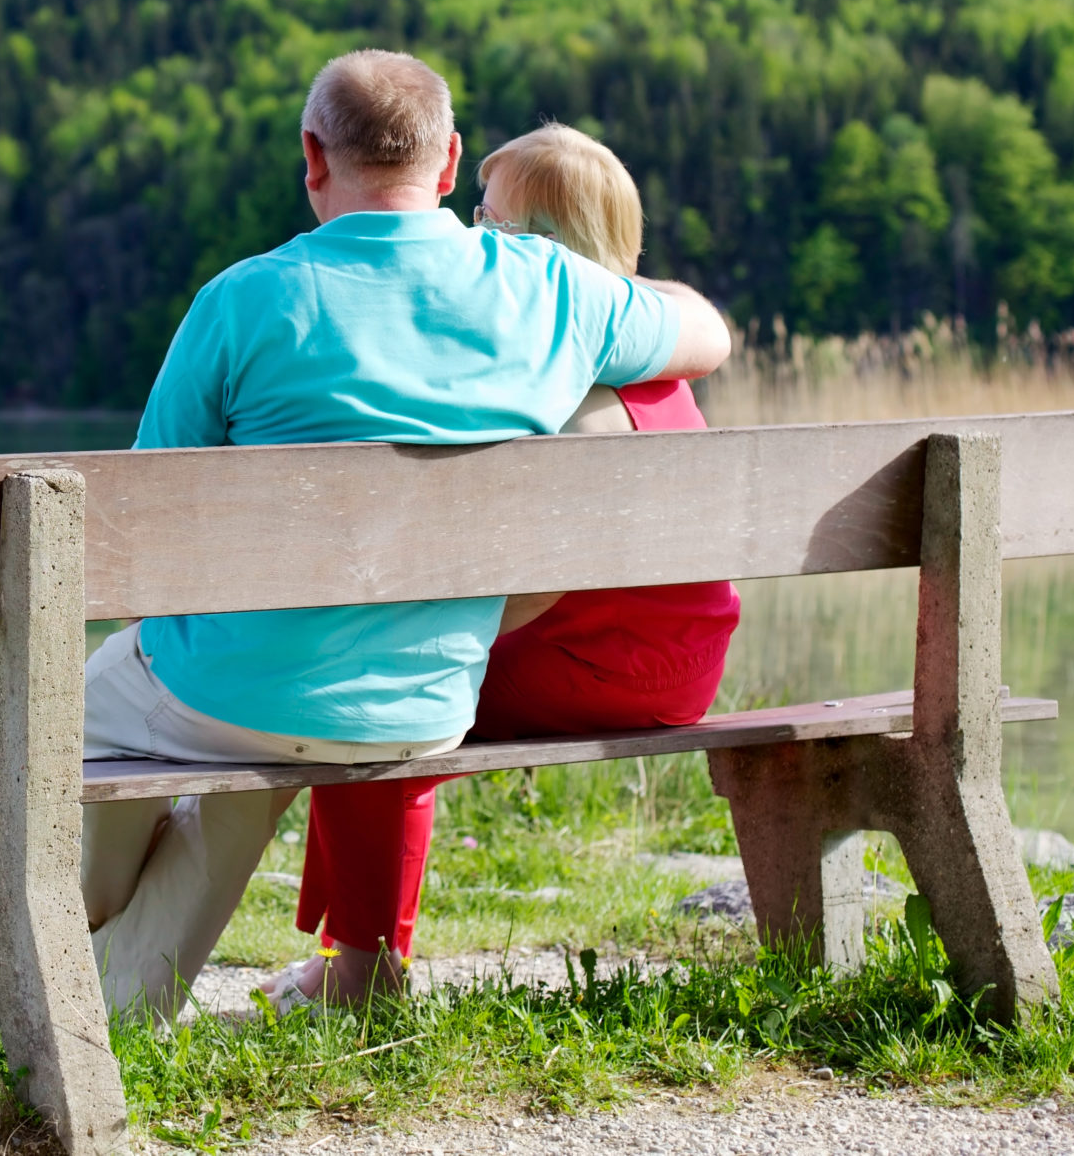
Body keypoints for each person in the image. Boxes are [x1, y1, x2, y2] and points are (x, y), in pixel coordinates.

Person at [82, 56, 733, 1021]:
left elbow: (133, 531)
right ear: (449, 161)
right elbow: (704, 334)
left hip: (247, 685)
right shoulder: (552, 290)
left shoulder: (241, 299)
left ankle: (69, 931)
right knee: (257, 740)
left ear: (313, 158)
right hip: (425, 704)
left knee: (105, 704)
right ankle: (114, 1003)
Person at [269, 121, 741, 1010]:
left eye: (483, 223)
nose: (470, 240)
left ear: (532, 251)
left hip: (603, 663)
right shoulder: (644, 350)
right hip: (685, 660)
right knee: (387, 676)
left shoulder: (572, 386)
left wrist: (428, 637)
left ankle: (362, 970)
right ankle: (349, 955)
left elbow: (534, 592)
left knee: (382, 692)